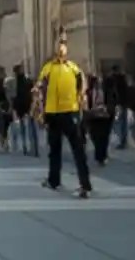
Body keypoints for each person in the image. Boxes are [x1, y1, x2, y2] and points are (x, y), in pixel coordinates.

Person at [37, 39, 92, 198]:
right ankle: (61, 181)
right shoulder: (60, 69)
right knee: (66, 150)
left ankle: (76, 183)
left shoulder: (66, 68)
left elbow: (39, 90)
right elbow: (40, 89)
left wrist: (81, 99)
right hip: (61, 113)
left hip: (63, 113)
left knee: (67, 150)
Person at [10, 63, 37, 156]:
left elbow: (12, 95)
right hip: (26, 104)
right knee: (28, 125)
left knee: (22, 126)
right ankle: (28, 145)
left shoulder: (13, 81)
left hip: (19, 105)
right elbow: (32, 89)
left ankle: (25, 145)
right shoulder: (26, 80)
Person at [106, 65, 130, 150]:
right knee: (123, 123)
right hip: (123, 103)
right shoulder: (123, 79)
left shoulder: (113, 79)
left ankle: (121, 140)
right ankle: (123, 140)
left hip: (117, 103)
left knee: (118, 123)